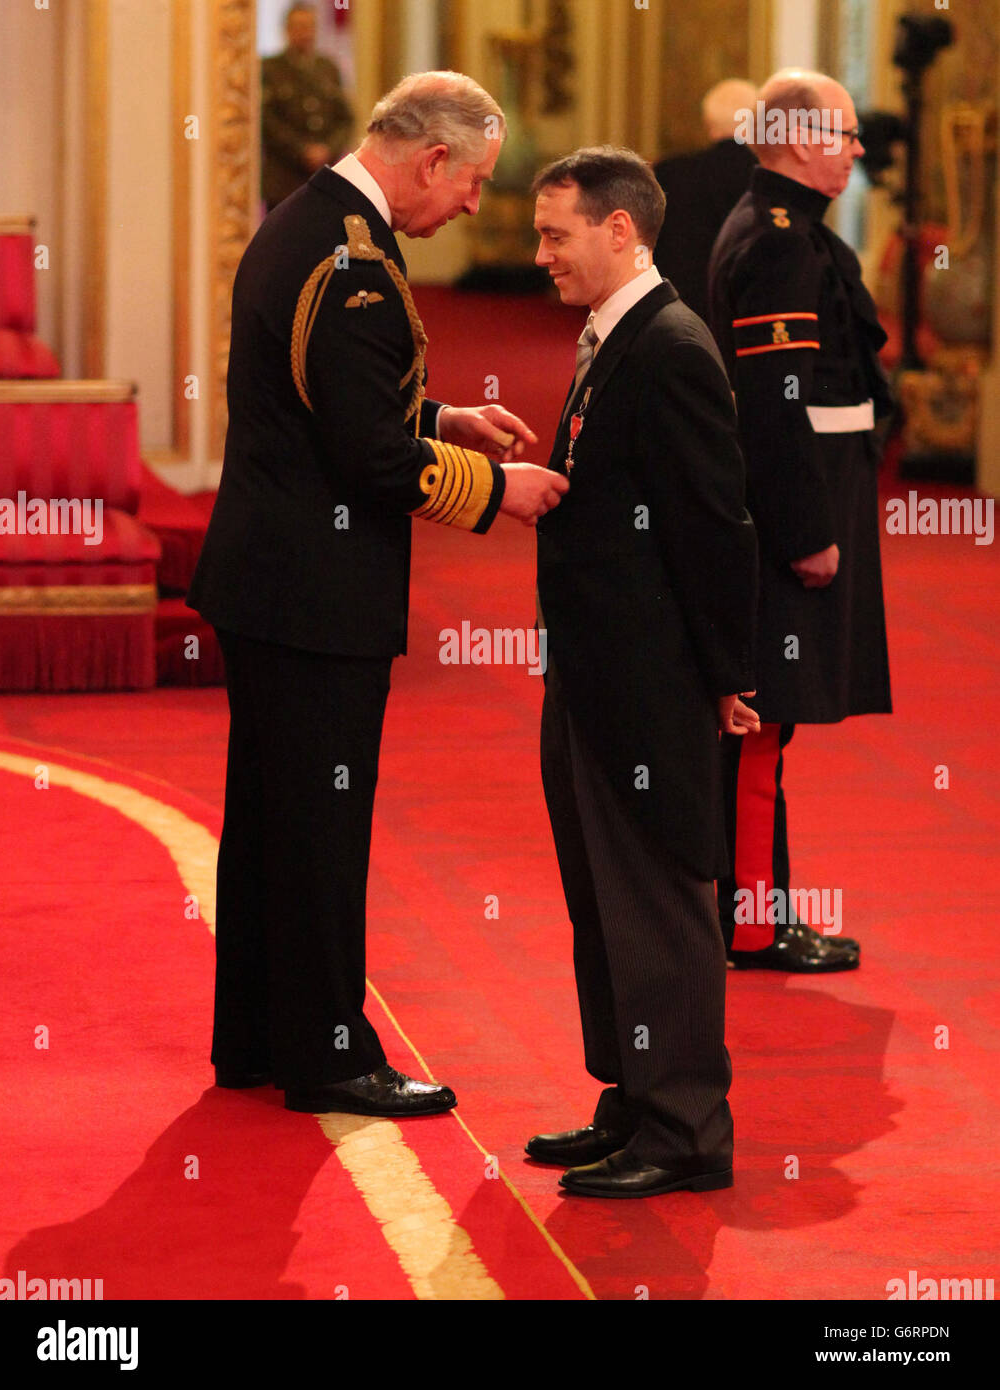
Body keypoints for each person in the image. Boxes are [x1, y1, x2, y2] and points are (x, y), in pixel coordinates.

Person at [188, 71, 568, 1117]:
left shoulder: (312, 218)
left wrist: (441, 418)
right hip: (314, 589)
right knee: (320, 823)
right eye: (476, 184)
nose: (474, 208)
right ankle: (331, 1055)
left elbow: (337, 395)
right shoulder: (351, 259)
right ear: (430, 158)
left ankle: (258, 1035)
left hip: (269, 575)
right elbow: (364, 460)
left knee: (273, 817)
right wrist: (499, 490)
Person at [526, 147, 760, 1198]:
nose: (540, 255)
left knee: (658, 900)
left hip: (651, 679)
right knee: (601, 897)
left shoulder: (669, 346)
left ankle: (683, 1130)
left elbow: (714, 527)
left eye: (554, 235)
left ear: (619, 231)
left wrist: (727, 672)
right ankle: (628, 1098)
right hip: (589, 670)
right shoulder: (611, 336)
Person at [708, 69, 893, 972]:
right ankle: (752, 922)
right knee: (761, 722)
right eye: (844, 134)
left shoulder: (792, 230)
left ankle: (760, 913)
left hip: (818, 484)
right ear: (790, 138)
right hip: (795, 500)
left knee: (772, 725)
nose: (857, 151)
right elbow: (774, 408)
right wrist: (804, 532)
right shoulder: (778, 240)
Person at [652, 79, 758, 319]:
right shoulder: (764, 179)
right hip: (741, 314)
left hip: (674, 309)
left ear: (708, 124)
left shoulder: (669, 173)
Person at [261, 4, 354, 210]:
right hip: (284, 179)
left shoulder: (327, 68)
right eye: (298, 26)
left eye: (308, 26)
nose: (304, 33)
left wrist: (328, 149)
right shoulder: (270, 69)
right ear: (286, 30)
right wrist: (302, 150)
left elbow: (345, 118)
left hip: (322, 175)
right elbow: (267, 121)